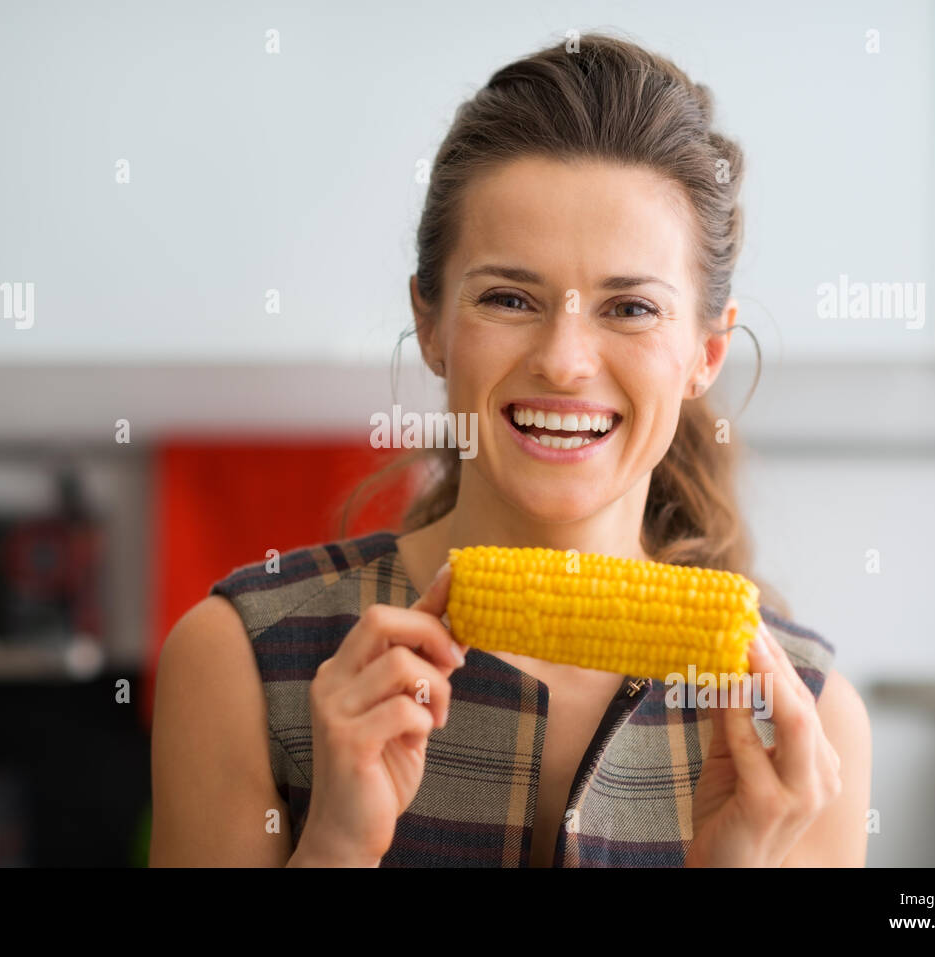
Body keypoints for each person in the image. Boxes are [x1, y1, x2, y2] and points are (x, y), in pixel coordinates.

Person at [149, 31, 871, 867]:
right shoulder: (239, 661)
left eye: (630, 308)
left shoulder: (810, 729)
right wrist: (337, 845)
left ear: (705, 354)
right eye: (508, 297)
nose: (564, 360)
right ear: (430, 324)